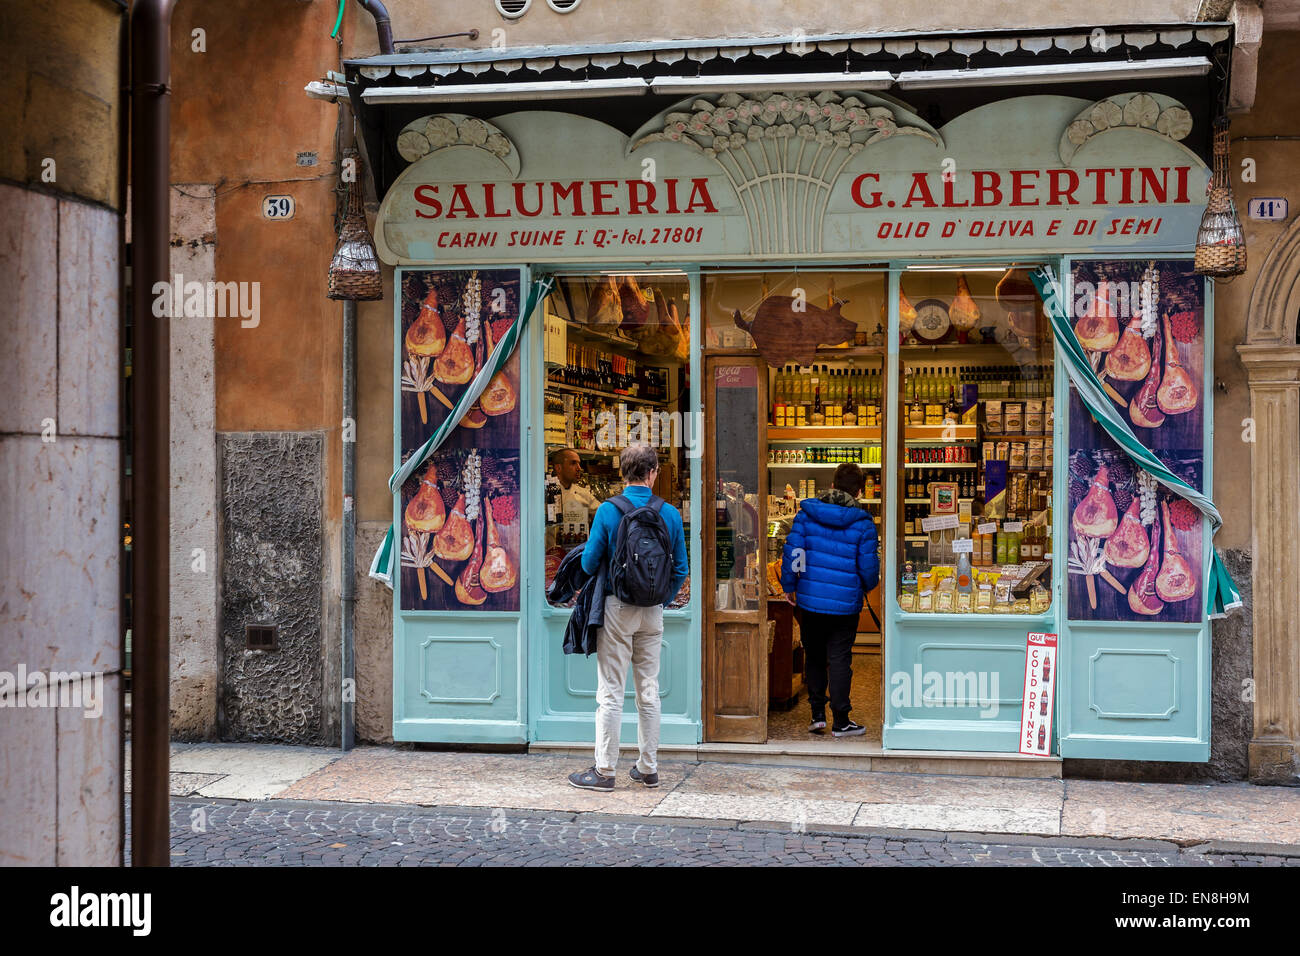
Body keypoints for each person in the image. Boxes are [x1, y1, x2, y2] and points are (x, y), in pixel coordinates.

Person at [568, 443, 689, 792]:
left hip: (617, 608)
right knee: (648, 691)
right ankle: (648, 768)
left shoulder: (608, 511)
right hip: (652, 613)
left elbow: (589, 563)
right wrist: (660, 598)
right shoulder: (668, 513)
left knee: (610, 692)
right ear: (653, 474)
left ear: (623, 473)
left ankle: (605, 771)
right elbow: (680, 567)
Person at [780, 462, 880, 738]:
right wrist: (866, 586)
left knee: (814, 656)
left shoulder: (806, 515)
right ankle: (841, 720)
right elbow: (869, 569)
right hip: (845, 604)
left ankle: (817, 716)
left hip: (810, 601)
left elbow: (793, 553)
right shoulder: (863, 523)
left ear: (833, 486)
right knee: (839, 659)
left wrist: (790, 585)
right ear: (859, 492)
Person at [548, 447, 600, 547]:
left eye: (579, 463)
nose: (579, 468)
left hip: (579, 555)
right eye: (573, 463)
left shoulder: (583, 493)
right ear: (559, 468)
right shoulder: (546, 494)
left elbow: (603, 514)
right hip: (551, 557)